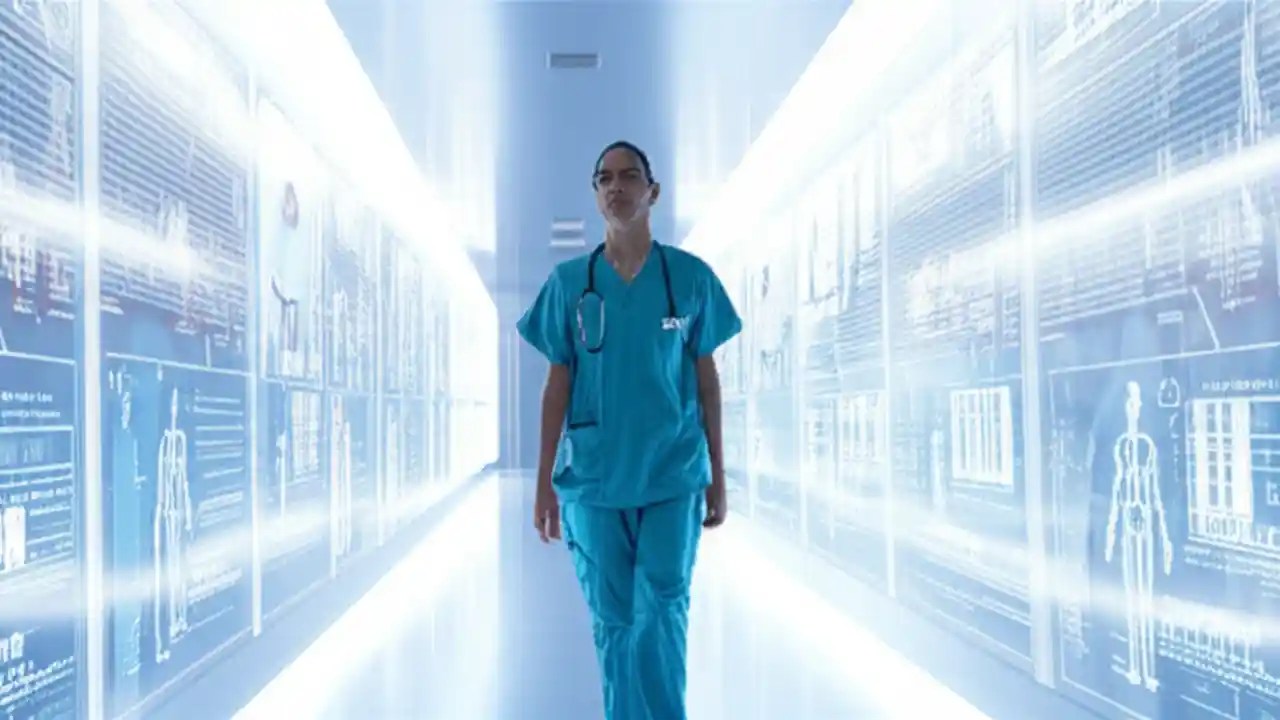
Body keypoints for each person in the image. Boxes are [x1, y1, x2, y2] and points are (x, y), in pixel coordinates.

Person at [516, 140, 742, 719]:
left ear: (653, 192)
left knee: (663, 611)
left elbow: (706, 379)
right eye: (604, 179)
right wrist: (543, 482)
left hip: (672, 475)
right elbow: (556, 387)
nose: (615, 186)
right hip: (594, 481)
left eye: (628, 176)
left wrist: (718, 473)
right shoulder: (571, 284)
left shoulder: (689, 278)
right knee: (615, 624)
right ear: (596, 195)